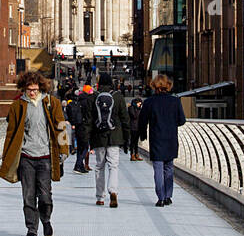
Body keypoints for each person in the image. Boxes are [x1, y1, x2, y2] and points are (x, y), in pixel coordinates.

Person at [0, 71, 71, 236]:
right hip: (26, 157)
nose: (32, 92)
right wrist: (7, 156)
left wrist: (63, 150)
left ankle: (45, 220)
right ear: (24, 89)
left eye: (35, 89)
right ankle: (31, 229)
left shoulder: (51, 103)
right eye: (29, 89)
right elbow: (11, 133)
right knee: (28, 195)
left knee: (45, 196)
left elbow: (60, 125)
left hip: (45, 156)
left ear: (40, 87)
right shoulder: (17, 106)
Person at [135, 74, 185, 207]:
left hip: (156, 138)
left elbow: (142, 121)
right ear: (168, 85)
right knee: (169, 168)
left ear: (154, 85)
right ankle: (168, 196)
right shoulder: (175, 101)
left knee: (158, 168)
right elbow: (182, 120)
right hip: (171, 139)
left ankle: (161, 198)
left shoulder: (150, 102)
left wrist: (142, 134)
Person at [83, 76, 129, 207]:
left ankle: (100, 197)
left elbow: (89, 120)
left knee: (99, 166)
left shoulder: (94, 97)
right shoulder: (118, 96)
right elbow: (125, 118)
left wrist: (87, 139)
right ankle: (113, 191)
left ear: (99, 84)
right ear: (111, 84)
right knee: (113, 166)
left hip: (98, 137)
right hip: (115, 136)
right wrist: (127, 138)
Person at [74, 84, 95, 173]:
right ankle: (79, 164)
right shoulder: (88, 101)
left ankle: (79, 166)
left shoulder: (78, 100)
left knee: (80, 147)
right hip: (85, 126)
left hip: (78, 126)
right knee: (85, 147)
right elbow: (90, 115)